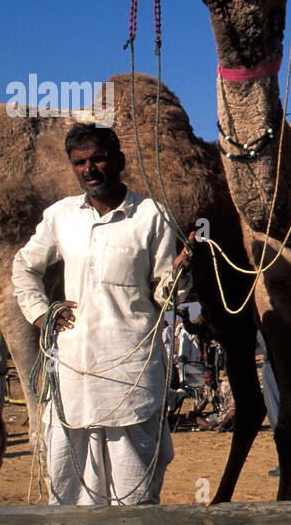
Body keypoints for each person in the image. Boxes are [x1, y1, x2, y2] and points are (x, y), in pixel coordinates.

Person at [12, 124, 190, 505]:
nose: (89, 169)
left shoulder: (151, 216)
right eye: (80, 162)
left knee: (134, 497)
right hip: (74, 375)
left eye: (98, 159)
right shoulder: (60, 216)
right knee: (68, 492)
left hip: (131, 376)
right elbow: (24, 266)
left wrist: (179, 275)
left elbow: (164, 294)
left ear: (119, 161)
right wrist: (41, 314)